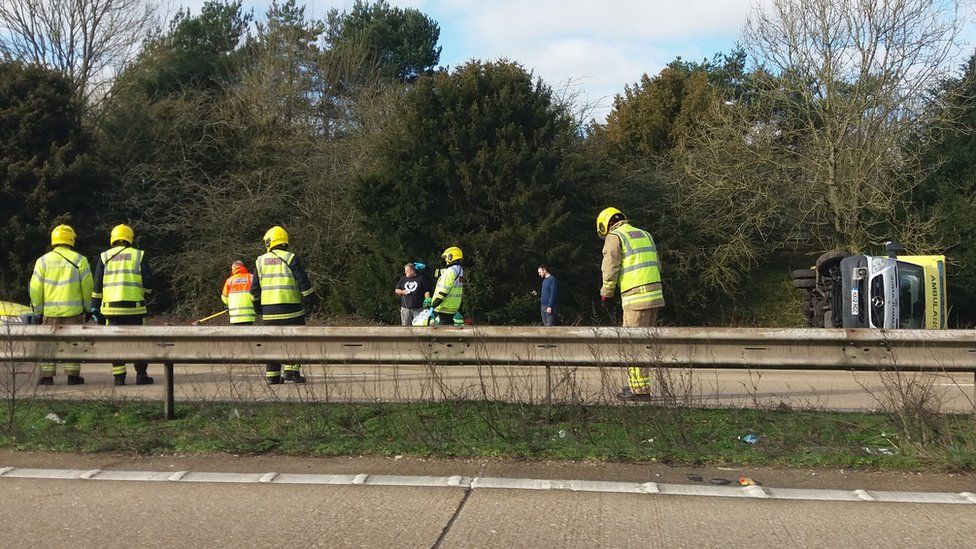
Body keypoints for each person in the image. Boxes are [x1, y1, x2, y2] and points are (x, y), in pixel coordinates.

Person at [596, 207, 665, 401]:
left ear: (605, 225)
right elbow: (658, 265)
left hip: (636, 299)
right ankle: (640, 387)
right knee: (645, 345)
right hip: (655, 296)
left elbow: (609, 267)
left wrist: (606, 293)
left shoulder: (615, 237)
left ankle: (639, 392)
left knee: (633, 344)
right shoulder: (645, 234)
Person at [251, 226, 318, 384]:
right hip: (292, 310)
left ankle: (273, 377)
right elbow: (304, 283)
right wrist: (312, 301)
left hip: (269, 312)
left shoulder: (259, 261)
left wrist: (258, 308)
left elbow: (254, 291)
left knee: (271, 343)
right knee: (294, 341)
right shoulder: (291, 258)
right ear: (285, 242)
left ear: (268, 242)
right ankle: (292, 372)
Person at [29, 225, 93, 385]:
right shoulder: (80, 260)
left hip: (50, 313)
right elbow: (88, 288)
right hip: (73, 312)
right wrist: (87, 308)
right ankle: (72, 376)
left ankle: (47, 376)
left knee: (48, 344)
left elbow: (35, 288)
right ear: (71, 239)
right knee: (73, 343)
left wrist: (38, 310)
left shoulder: (42, 261)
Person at [92, 224, 155, 386]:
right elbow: (148, 281)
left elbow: (97, 285)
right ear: (130, 238)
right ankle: (141, 375)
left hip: (111, 309)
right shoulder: (138, 255)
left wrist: (95, 307)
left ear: (113, 238)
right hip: (135, 308)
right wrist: (145, 294)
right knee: (139, 342)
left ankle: (119, 377)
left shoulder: (105, 256)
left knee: (115, 343)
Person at [430, 246, 464, 325]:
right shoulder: (459, 270)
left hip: (444, 306)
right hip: (453, 307)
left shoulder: (450, 272)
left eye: (446, 257)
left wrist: (434, 305)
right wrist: (426, 269)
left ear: (450, 257)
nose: (445, 260)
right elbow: (438, 273)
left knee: (442, 332)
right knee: (449, 328)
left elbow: (444, 291)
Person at [221, 261, 256, 325]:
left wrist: (230, 304)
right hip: (249, 314)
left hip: (235, 314)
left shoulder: (229, 280)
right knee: (248, 333)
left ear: (233, 269)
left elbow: (224, 297)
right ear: (243, 267)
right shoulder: (251, 278)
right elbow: (256, 293)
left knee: (237, 333)